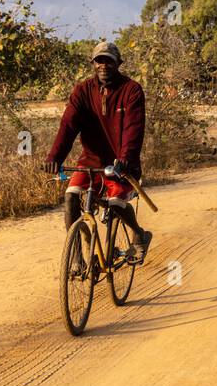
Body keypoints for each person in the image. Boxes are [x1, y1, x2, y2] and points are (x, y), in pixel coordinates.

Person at [43, 41, 152, 262]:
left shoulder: (131, 90)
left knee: (116, 204)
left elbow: (134, 129)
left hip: (121, 165)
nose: (103, 66)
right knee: (71, 197)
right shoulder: (82, 91)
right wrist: (55, 157)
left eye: (109, 61)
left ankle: (138, 234)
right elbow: (68, 125)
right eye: (99, 61)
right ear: (92, 63)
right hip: (90, 161)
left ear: (118, 64)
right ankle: (76, 257)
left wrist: (125, 160)